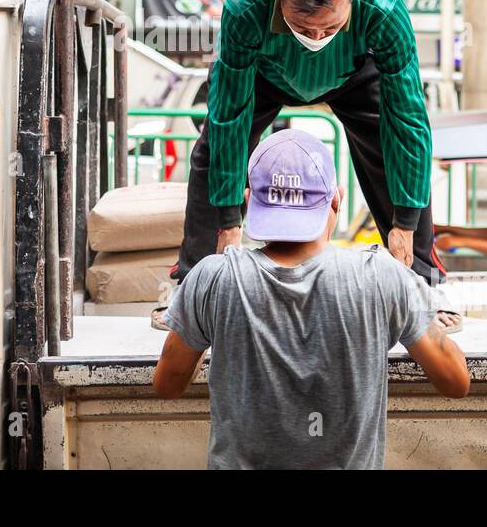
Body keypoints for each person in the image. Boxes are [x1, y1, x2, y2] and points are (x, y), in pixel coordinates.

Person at [157, 0, 461, 330]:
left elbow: (408, 121)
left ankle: (422, 284)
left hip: (353, 69)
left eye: (329, 28)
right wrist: (230, 221)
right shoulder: (248, 5)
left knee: (393, 150)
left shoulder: (384, 9)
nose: (316, 38)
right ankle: (194, 285)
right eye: (304, 27)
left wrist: (404, 223)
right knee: (214, 150)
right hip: (266, 69)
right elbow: (228, 117)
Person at [152, 129, 470, 470]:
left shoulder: (212, 278)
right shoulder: (381, 275)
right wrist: (406, 300)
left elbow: (168, 384)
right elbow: (455, 381)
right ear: (336, 198)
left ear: (248, 200)